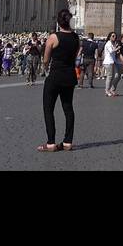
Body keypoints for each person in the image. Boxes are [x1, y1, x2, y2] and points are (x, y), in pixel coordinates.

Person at [38, 9, 80, 152]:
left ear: (58, 21)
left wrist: (45, 66)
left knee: (48, 108)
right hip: (70, 76)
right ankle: (68, 142)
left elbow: (45, 58)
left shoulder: (53, 37)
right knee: (68, 108)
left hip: (55, 76)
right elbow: (74, 57)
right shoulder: (76, 38)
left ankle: (51, 143)